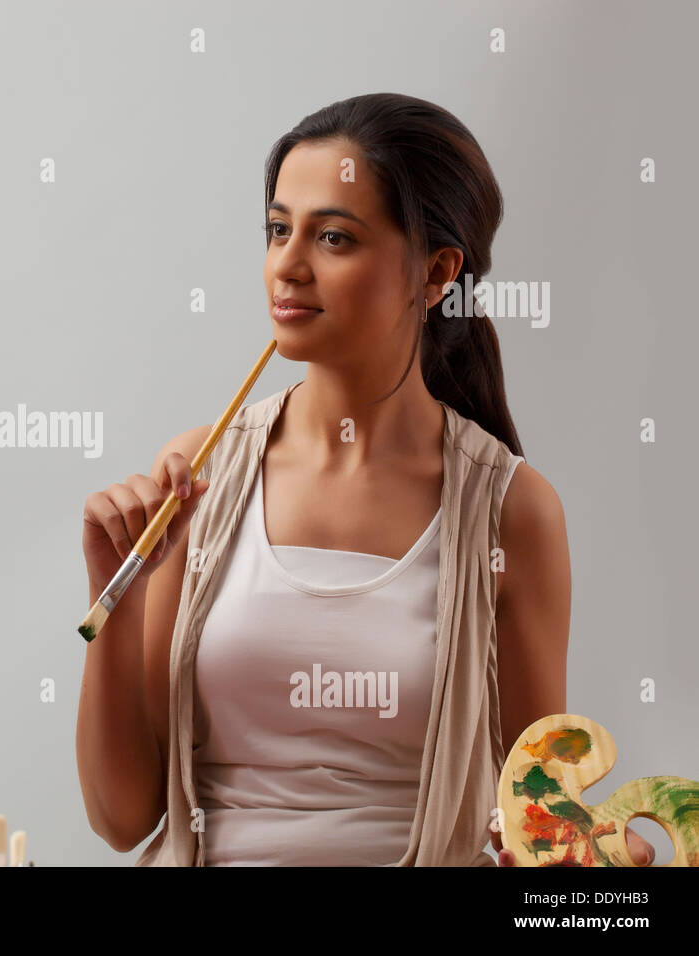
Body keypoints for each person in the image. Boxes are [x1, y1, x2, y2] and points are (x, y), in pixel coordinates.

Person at [76, 92, 653, 866]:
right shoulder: (202, 477)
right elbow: (123, 821)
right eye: (279, 230)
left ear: (436, 272)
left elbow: (538, 821)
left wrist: (599, 874)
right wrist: (118, 589)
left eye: (334, 238)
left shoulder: (513, 512)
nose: (287, 264)